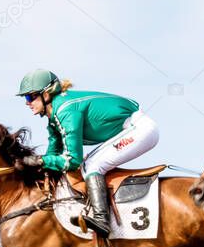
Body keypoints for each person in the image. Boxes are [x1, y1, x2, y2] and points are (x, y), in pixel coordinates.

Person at [15, 69, 159, 237]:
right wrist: (35, 166)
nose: (27, 102)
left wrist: (38, 161)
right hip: (132, 128)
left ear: (46, 95)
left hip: (140, 129)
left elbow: (71, 161)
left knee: (92, 165)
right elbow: (52, 153)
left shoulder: (65, 110)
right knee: (88, 164)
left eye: (30, 97)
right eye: (25, 98)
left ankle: (101, 219)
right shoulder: (54, 117)